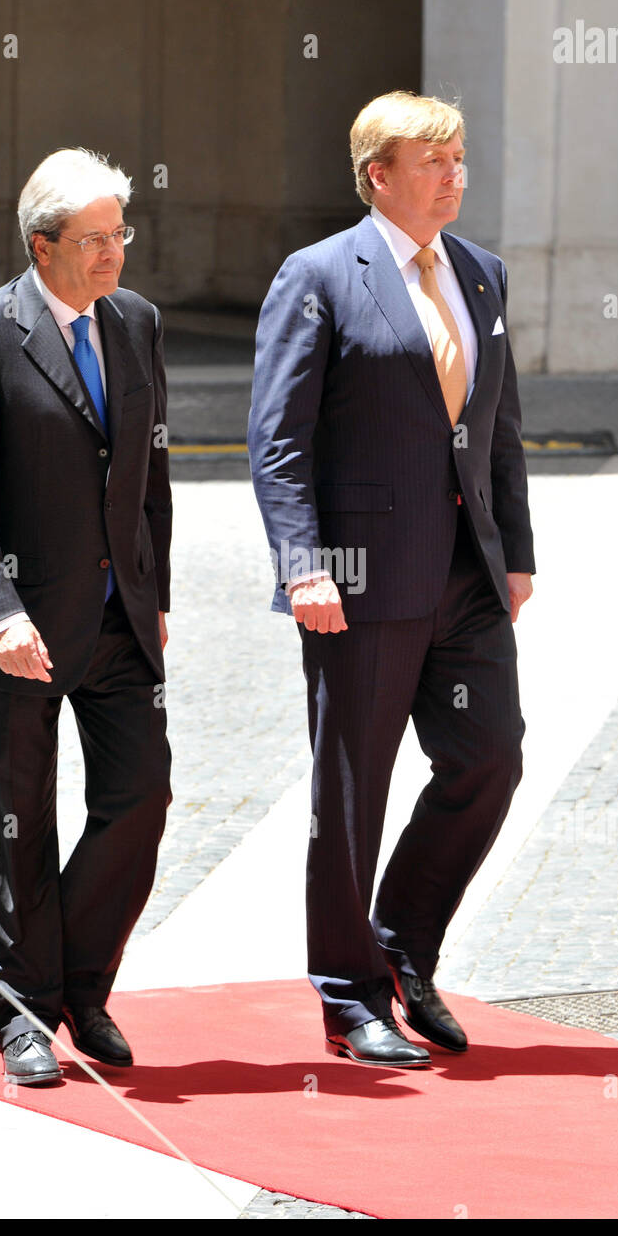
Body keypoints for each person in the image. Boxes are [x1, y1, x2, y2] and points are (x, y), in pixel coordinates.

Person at [248, 91, 535, 1067]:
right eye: (435, 161)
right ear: (379, 173)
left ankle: (405, 942)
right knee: (352, 788)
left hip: (466, 573)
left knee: (489, 756)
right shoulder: (319, 275)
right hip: (359, 581)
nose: (456, 175)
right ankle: (348, 990)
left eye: (460, 157)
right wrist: (303, 566)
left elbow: (497, 427)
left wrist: (518, 551)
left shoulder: (483, 278)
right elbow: (277, 440)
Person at [0, 148, 173, 1085]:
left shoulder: (137, 323)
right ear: (42, 244)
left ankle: (80, 981)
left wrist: (158, 598)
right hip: (15, 629)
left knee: (141, 796)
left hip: (116, 624)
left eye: (121, 235)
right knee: (17, 822)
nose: (114, 254)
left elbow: (151, 477)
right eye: (96, 239)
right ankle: (22, 1013)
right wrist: (1, 614)